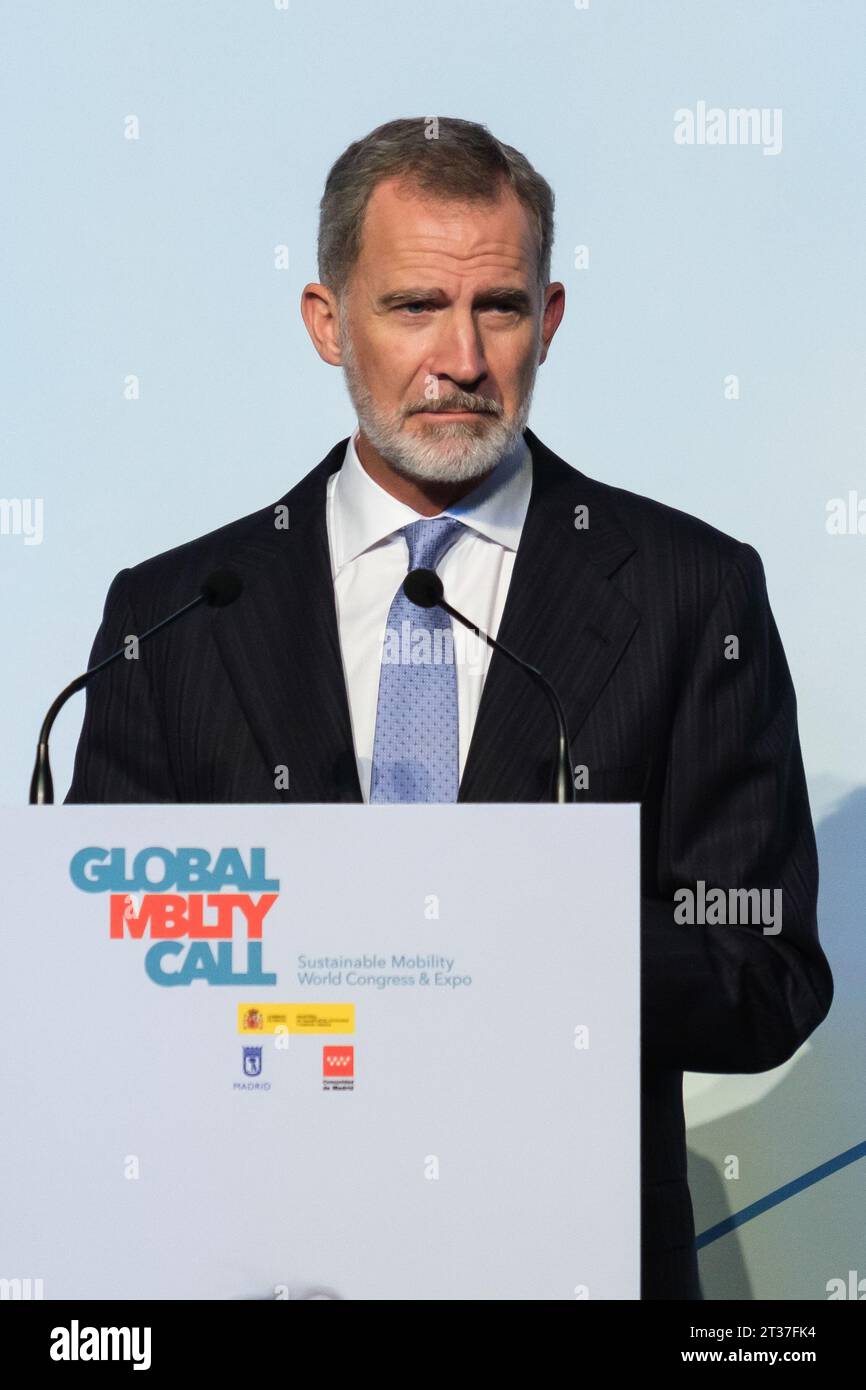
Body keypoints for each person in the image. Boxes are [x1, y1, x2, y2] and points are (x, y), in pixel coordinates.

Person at [66, 116, 834, 1299]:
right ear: (328, 323)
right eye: (413, 305)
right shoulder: (173, 615)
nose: (461, 359)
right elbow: (108, 995)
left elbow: (765, 971)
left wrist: (512, 925)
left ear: (551, 319)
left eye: (500, 309)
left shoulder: (690, 591)